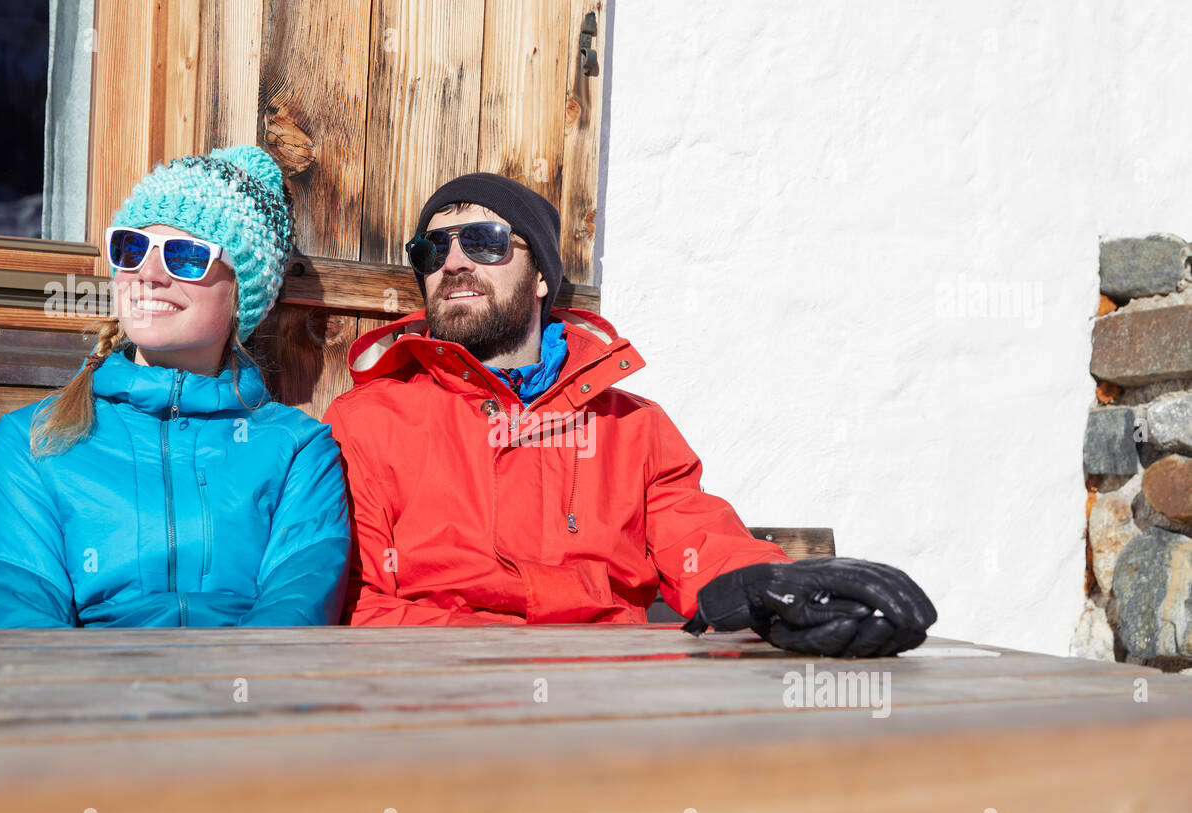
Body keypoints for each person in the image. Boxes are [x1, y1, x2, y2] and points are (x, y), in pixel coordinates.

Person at [323, 173, 936, 656]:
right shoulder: (366, 424)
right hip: (439, 703)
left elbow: (697, 538)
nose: (453, 262)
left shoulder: (630, 427)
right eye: (431, 249)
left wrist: (771, 589)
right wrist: (516, 663)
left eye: (484, 242)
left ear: (540, 276)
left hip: (613, 696)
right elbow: (360, 605)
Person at [0, 146, 350, 628]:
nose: (148, 274)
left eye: (186, 256)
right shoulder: (35, 440)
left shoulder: (299, 450)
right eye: (132, 248)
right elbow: (22, 634)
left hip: (247, 694)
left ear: (242, 293)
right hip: (84, 696)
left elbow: (291, 620)